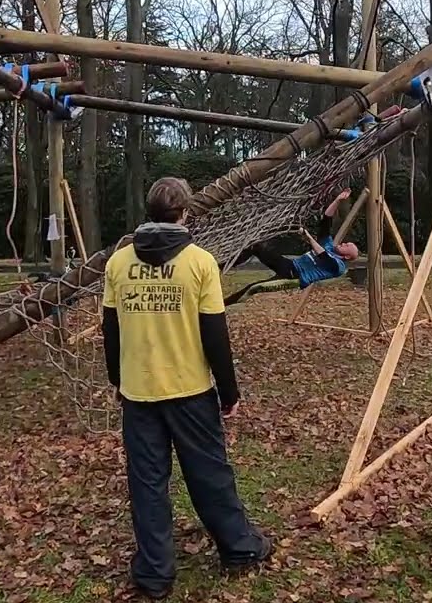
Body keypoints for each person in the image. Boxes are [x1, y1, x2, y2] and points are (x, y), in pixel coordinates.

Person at [102, 177, 272, 599]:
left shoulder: (118, 263)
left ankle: (155, 573)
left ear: (149, 212)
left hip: (139, 393)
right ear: (185, 213)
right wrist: (229, 392)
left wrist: (118, 381)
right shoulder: (199, 262)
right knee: (209, 473)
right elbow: (215, 334)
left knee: (147, 482)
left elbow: (111, 331)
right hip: (190, 390)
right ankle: (239, 548)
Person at [222, 189, 360, 306]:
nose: (344, 243)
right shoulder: (328, 244)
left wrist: (309, 237)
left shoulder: (339, 267)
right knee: (255, 247)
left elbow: (323, 256)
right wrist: (337, 199)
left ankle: (221, 305)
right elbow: (326, 219)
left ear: (347, 256)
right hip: (289, 265)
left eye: (347, 246)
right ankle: (223, 266)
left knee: (253, 288)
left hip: (293, 277)